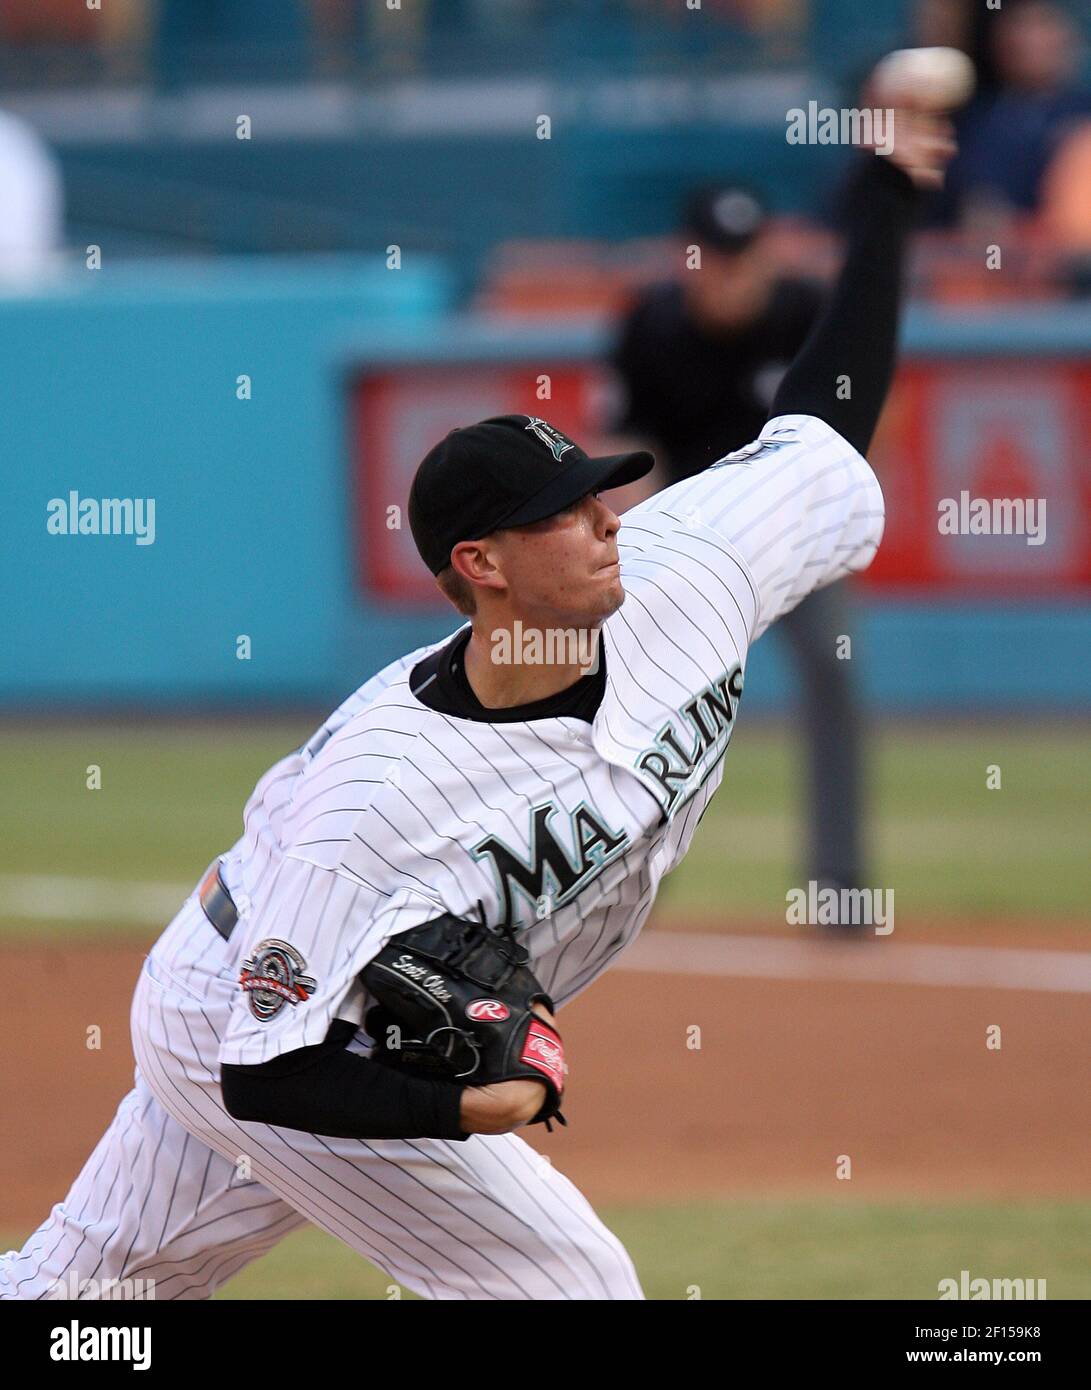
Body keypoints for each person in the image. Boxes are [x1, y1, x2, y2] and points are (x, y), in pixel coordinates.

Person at [0, 101, 954, 1302]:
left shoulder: (686, 569)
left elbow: (825, 423)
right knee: (571, 1291)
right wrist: (462, 1102)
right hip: (264, 1012)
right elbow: (265, 1068)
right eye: (565, 512)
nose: (610, 523)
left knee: (83, 1299)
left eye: (601, 495)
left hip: (263, 1003)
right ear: (481, 567)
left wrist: (884, 209)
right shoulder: (380, 794)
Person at [608, 183, 864, 910]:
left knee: (834, 676)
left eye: (741, 256)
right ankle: (632, 890)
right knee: (653, 706)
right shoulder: (650, 325)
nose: (728, 272)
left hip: (798, 534)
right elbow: (629, 446)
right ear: (684, 258)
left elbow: (873, 412)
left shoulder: (805, 314)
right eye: (714, 257)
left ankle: (837, 884)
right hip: (693, 542)